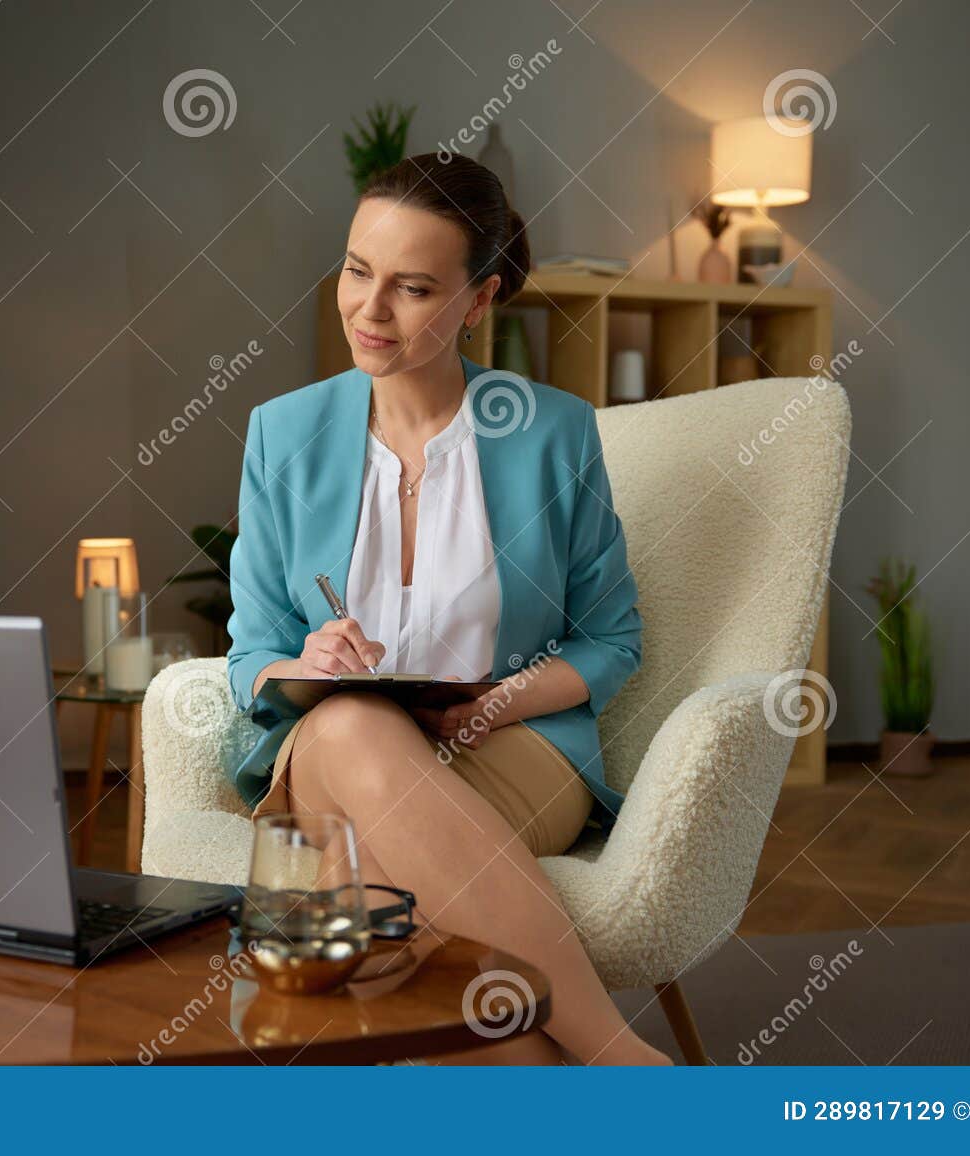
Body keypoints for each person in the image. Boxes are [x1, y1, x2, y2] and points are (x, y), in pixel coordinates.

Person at [224, 153, 667, 1066]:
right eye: (356, 270)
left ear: (478, 300)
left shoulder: (553, 431)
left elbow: (610, 641)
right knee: (348, 726)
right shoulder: (284, 433)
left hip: (512, 749)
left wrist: (490, 706)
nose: (368, 310)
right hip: (333, 763)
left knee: (387, 919)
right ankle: (627, 1064)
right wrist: (305, 665)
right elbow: (249, 657)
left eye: (413, 287)